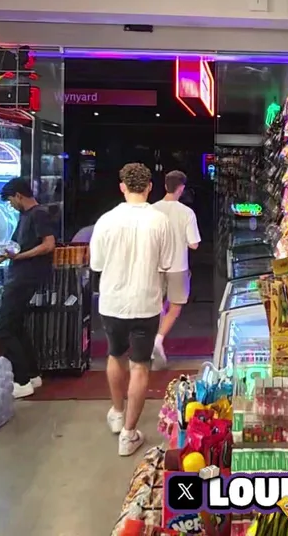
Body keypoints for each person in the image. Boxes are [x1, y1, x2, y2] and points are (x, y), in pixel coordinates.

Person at [90, 162, 174, 456]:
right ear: (150, 187)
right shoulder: (160, 221)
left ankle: (116, 412)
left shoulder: (106, 221)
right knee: (140, 365)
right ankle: (129, 434)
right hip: (146, 303)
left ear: (122, 187)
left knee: (115, 354)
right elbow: (166, 263)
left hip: (112, 302)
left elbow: (96, 264)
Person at [0, 177, 55, 398]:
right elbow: (11, 249)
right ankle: (32, 374)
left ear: (19, 196)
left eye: (10, 201)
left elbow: (48, 245)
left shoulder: (39, 214)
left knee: (4, 329)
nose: (10, 205)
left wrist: (20, 257)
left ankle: (22, 380)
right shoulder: (25, 216)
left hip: (24, 279)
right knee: (17, 327)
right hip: (20, 277)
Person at [150, 170, 200, 368]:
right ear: (181, 188)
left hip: (155, 265)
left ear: (165, 186)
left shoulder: (152, 210)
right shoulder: (186, 213)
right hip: (178, 266)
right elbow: (194, 244)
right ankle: (158, 339)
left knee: (157, 304)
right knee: (176, 305)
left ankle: (151, 339)